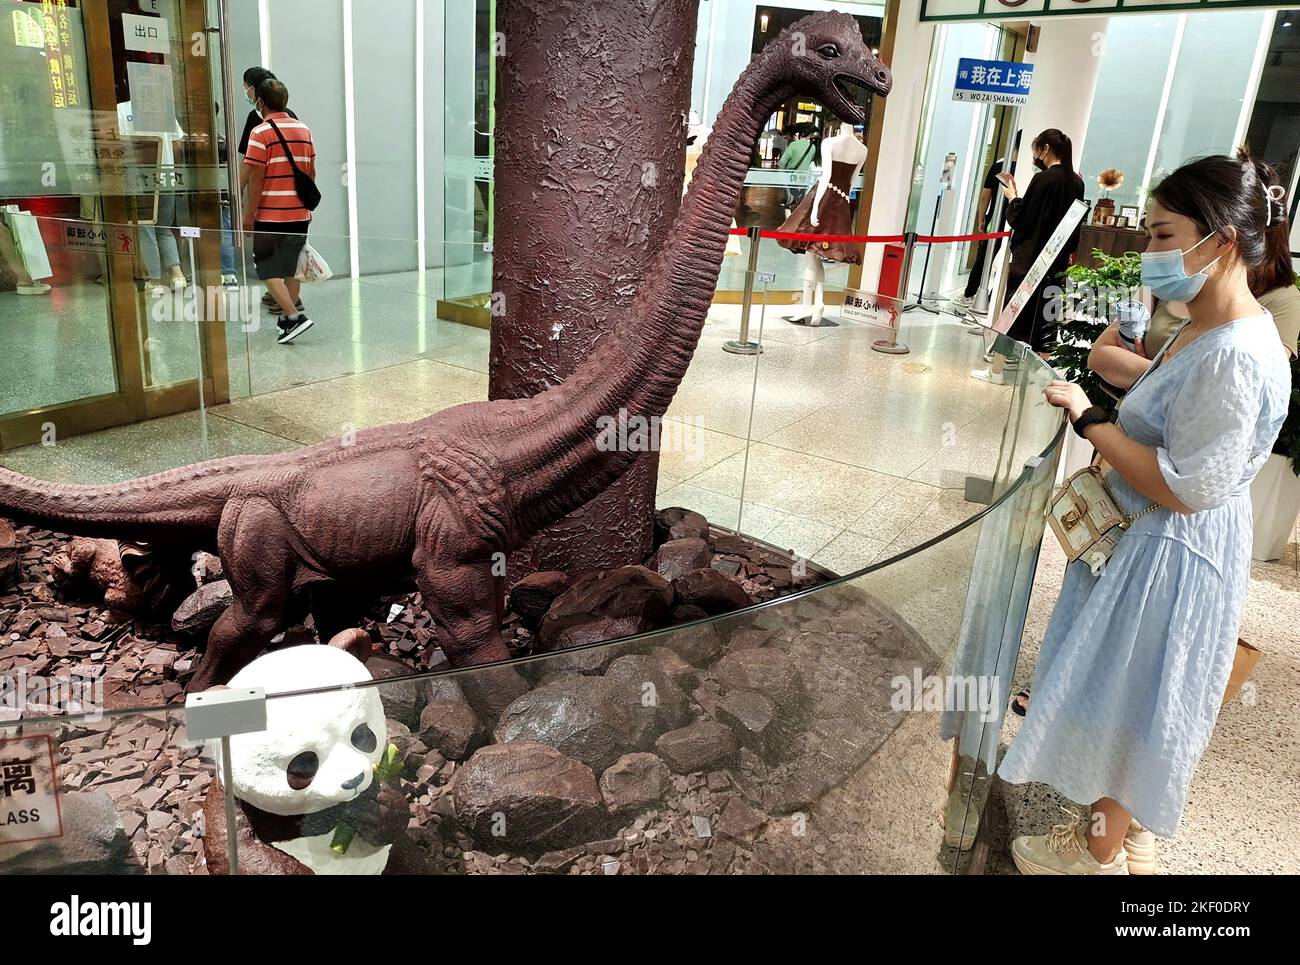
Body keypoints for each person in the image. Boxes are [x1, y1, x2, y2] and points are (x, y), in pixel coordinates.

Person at [999, 153, 1292, 874]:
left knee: (1133, 698)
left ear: (1220, 240)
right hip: (1154, 543)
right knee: (1135, 687)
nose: (1151, 252)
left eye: (1164, 235)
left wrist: (1091, 422)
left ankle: (1091, 852)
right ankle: (1125, 827)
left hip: (1171, 549)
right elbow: (1169, 394)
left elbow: (1183, 486)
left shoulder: (1238, 354)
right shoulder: (1209, 326)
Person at [992, 129, 1085, 358]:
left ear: (1045, 149)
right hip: (1057, 259)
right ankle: (1040, 360)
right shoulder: (1077, 182)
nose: (1035, 155)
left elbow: (1023, 219)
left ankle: (1005, 359)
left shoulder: (1042, 179)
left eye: (1036, 149)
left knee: (1018, 308)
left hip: (1030, 257)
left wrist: (1013, 196)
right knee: (1047, 310)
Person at [243, 77, 316, 344]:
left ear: (260, 101)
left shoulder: (260, 132)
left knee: (266, 268)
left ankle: (294, 316)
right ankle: (287, 321)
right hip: (299, 213)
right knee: (290, 267)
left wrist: (248, 212)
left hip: (270, 213)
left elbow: (256, 177)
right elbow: (310, 173)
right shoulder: (303, 130)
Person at [952, 131, 1021, 313]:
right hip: (1017, 219)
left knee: (985, 257)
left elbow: (985, 196)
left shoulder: (999, 166)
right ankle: (995, 297)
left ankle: (970, 293)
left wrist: (981, 218)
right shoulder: (1025, 170)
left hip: (996, 219)